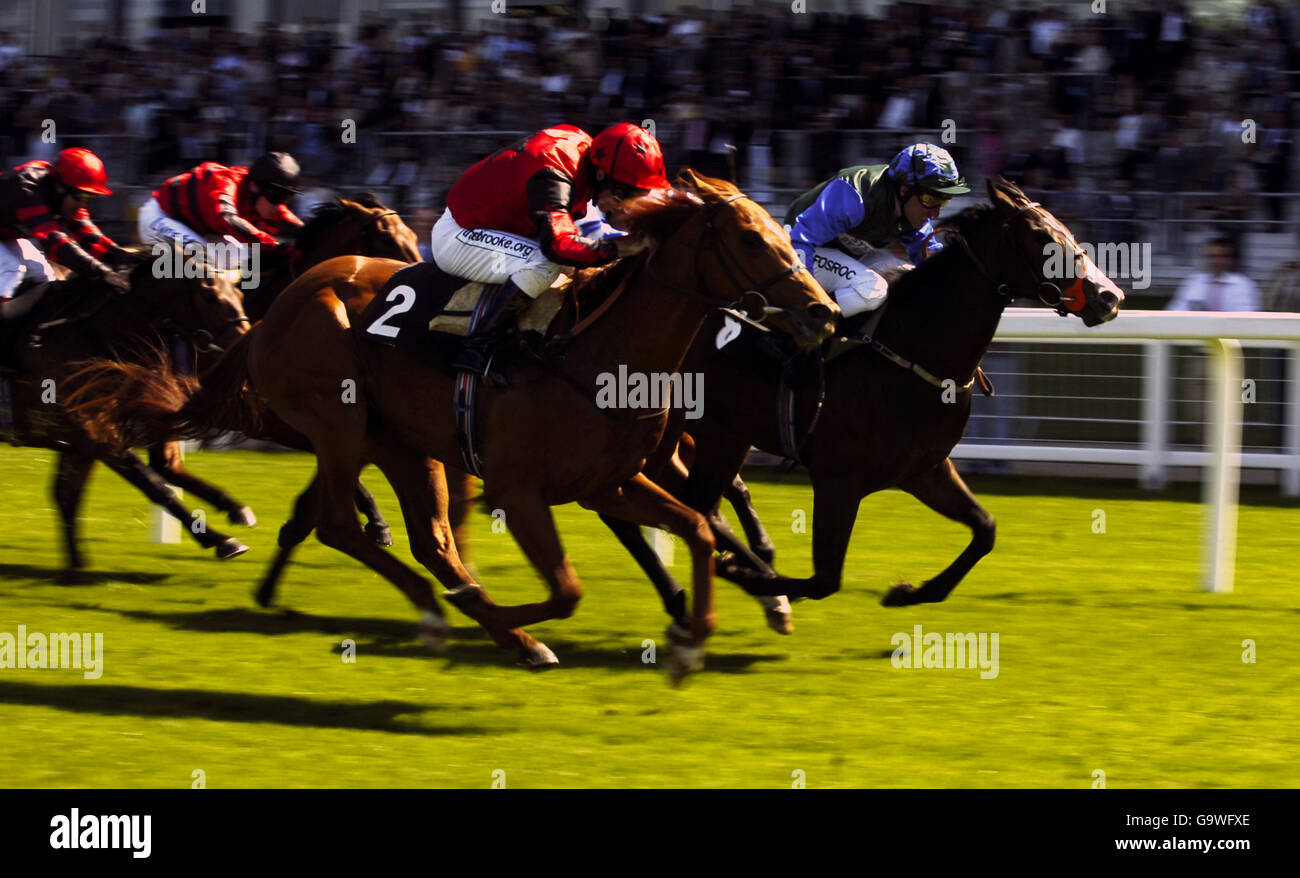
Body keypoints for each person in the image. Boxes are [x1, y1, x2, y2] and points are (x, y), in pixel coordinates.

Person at [432, 122, 669, 385]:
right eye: (627, 193)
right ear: (602, 175)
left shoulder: (583, 158)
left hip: (496, 228)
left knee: (576, 266)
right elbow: (558, 246)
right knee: (545, 265)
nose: (627, 205)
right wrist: (621, 247)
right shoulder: (554, 170)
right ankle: (478, 351)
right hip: (459, 236)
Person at [784, 142, 970, 320]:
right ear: (905, 191)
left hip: (838, 251)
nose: (935, 213)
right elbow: (801, 240)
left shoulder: (913, 211)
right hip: (797, 248)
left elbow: (931, 260)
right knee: (873, 288)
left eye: (943, 202)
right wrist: (804, 297)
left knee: (905, 276)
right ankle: (812, 322)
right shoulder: (854, 196)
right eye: (930, 199)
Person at [0, 147, 131, 301]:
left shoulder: (62, 194)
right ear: (60, 187)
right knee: (12, 269)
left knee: (43, 275)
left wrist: (123, 257)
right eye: (81, 196)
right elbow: (56, 245)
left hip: (4, 236)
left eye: (88, 197)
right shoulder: (28, 190)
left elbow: (89, 236)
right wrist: (104, 273)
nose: (83, 205)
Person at [137, 151, 304, 266]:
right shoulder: (224, 183)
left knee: (244, 257)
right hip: (159, 217)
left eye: (285, 198)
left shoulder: (261, 196)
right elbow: (229, 220)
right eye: (276, 197)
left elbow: (291, 223)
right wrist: (274, 246)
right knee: (202, 258)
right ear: (254, 186)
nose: (278, 205)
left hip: (197, 228)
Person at [1165, 236, 1259, 311]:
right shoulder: (1193, 282)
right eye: (1212, 256)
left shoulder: (1243, 284)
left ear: (1230, 259)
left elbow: (1246, 316)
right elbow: (1175, 310)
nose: (1215, 261)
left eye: (1221, 256)